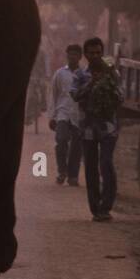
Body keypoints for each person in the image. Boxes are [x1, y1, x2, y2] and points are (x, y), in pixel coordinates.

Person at [72, 37, 122, 222]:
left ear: (102, 53)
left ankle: (106, 206)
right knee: (91, 168)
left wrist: (108, 92)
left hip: (108, 126)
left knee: (106, 164)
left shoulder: (112, 73)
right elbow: (75, 95)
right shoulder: (80, 75)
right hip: (87, 128)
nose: (95, 56)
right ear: (85, 55)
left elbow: (120, 96)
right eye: (91, 53)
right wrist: (91, 84)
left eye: (98, 52)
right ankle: (95, 208)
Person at [49, 43, 85, 186]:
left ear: (80, 57)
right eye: (71, 54)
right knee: (61, 140)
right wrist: (52, 116)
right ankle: (61, 170)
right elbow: (53, 95)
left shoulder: (84, 75)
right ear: (67, 55)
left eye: (76, 54)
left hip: (78, 115)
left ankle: (73, 175)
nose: (73, 57)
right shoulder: (60, 74)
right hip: (62, 113)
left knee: (77, 146)